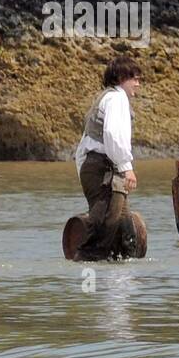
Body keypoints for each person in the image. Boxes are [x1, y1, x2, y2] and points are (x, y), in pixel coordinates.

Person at [73, 56, 142, 260]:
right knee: (104, 226)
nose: (138, 84)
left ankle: (120, 279)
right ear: (121, 78)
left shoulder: (110, 97)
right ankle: (85, 262)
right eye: (135, 79)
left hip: (100, 166)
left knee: (122, 227)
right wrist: (125, 166)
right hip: (103, 168)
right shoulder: (116, 98)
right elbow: (112, 134)